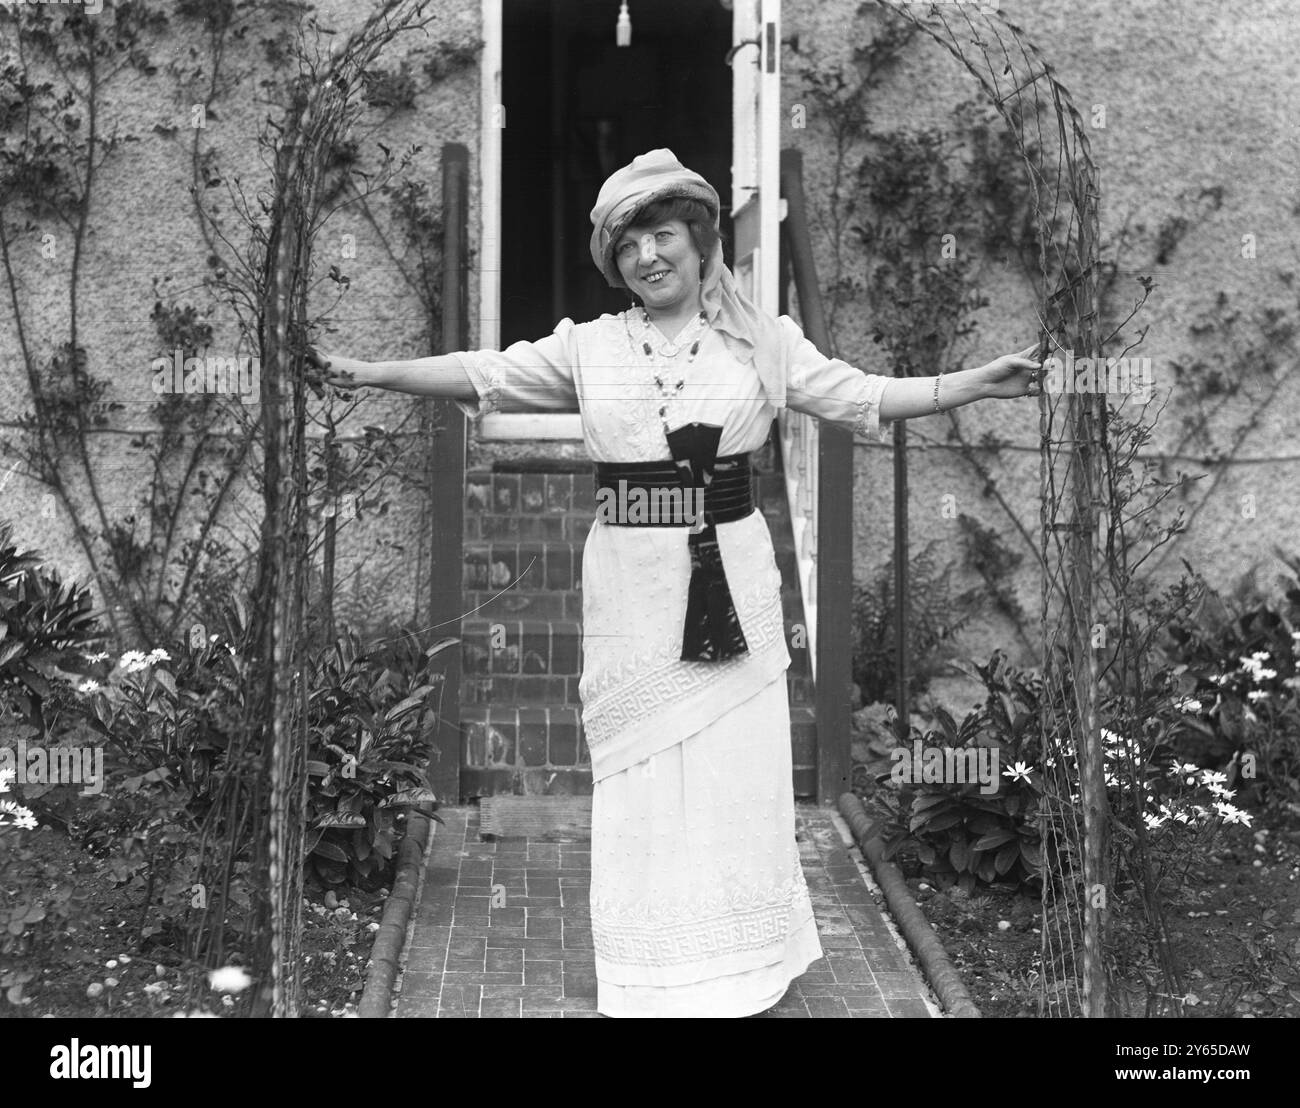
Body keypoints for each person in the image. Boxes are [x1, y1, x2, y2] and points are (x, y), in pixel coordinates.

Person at [308, 148, 1043, 1018]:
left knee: (732, 770)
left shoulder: (765, 344)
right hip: (630, 588)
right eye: (628, 246)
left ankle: (742, 965)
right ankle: (651, 971)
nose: (647, 257)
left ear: (699, 244)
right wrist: (373, 373)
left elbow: (863, 396)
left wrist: (974, 383)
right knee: (645, 773)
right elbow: (483, 372)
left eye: (662, 235)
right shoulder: (589, 347)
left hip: (731, 580)